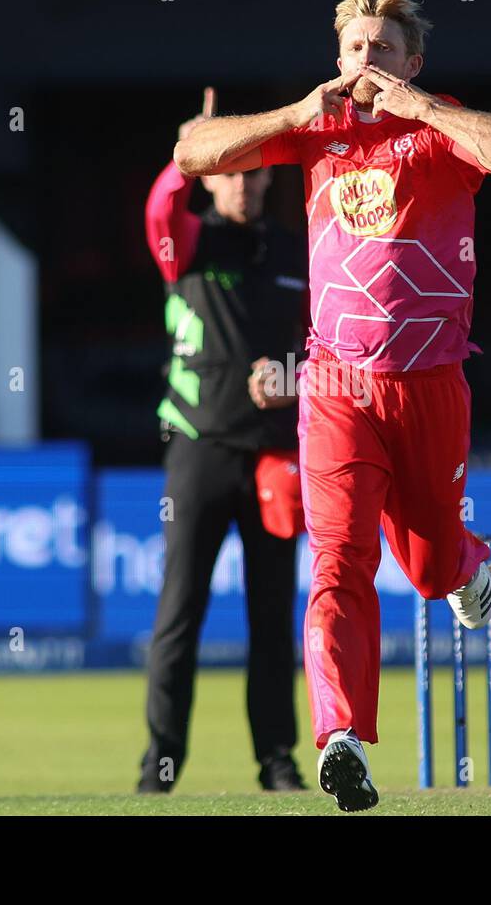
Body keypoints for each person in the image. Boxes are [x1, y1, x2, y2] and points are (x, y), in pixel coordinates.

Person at [174, 0, 491, 811]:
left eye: (382, 50)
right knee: (338, 562)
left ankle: (466, 564)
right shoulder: (318, 128)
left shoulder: (438, 125)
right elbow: (194, 152)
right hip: (337, 385)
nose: (365, 64)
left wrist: (423, 110)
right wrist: (296, 111)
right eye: (353, 50)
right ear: (336, 60)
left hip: (431, 382)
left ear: (413, 61)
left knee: (427, 563)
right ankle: (342, 737)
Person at [139, 88, 311, 794]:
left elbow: (330, 349)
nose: (242, 183)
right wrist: (185, 154)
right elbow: (158, 212)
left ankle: (277, 762)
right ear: (211, 178)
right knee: (180, 614)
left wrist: (297, 379)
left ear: (269, 175)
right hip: (199, 451)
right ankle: (161, 768)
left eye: (252, 171)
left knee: (272, 623)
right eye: (228, 171)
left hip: (276, 458)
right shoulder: (190, 243)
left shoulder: (298, 252)